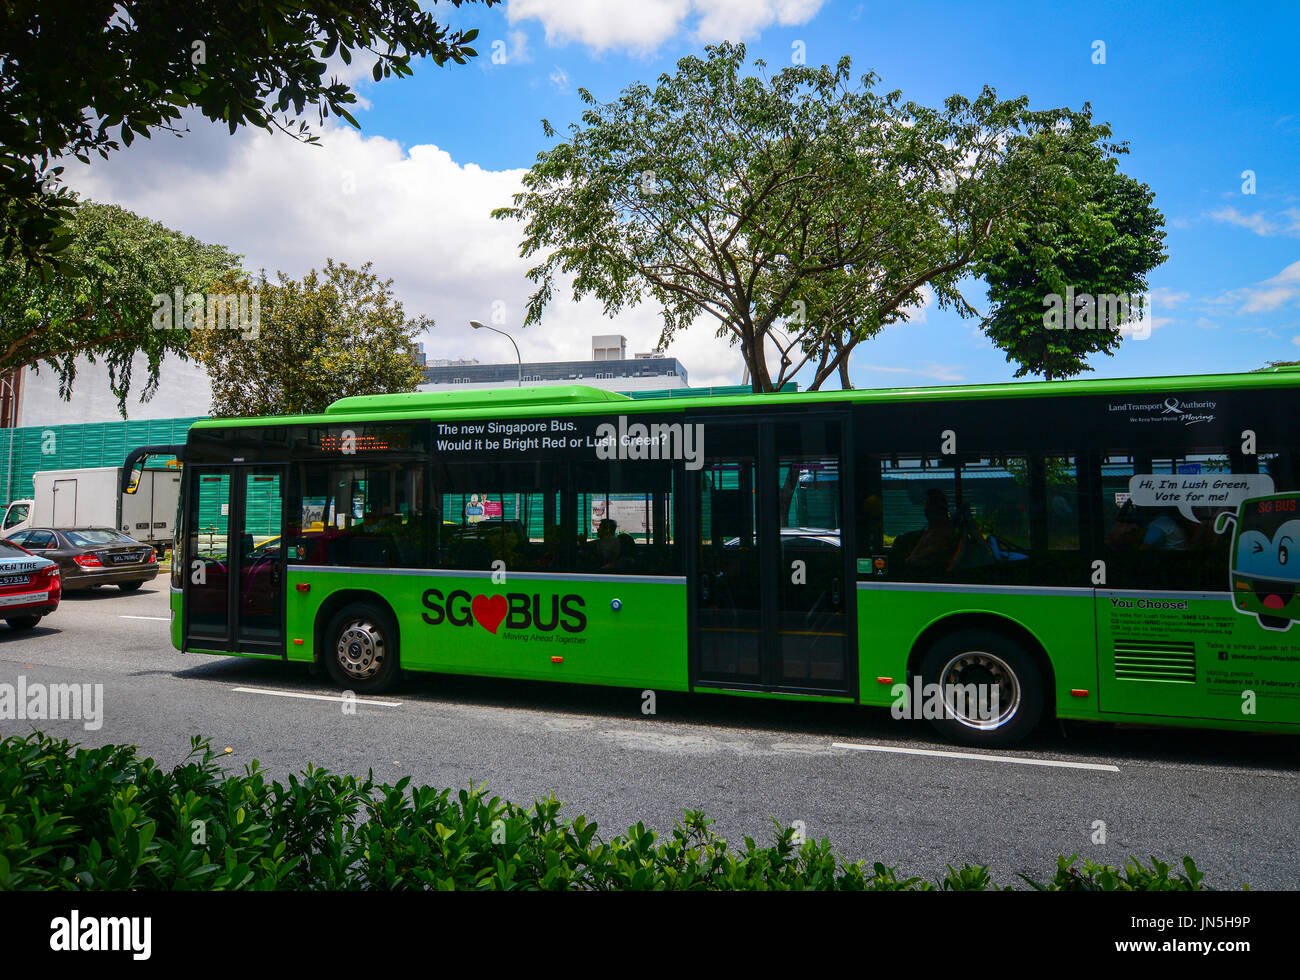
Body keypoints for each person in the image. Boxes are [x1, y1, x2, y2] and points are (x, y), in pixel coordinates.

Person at [905, 489, 960, 570]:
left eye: (929, 506)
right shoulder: (931, 529)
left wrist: (911, 561)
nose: (926, 510)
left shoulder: (944, 531)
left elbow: (932, 552)